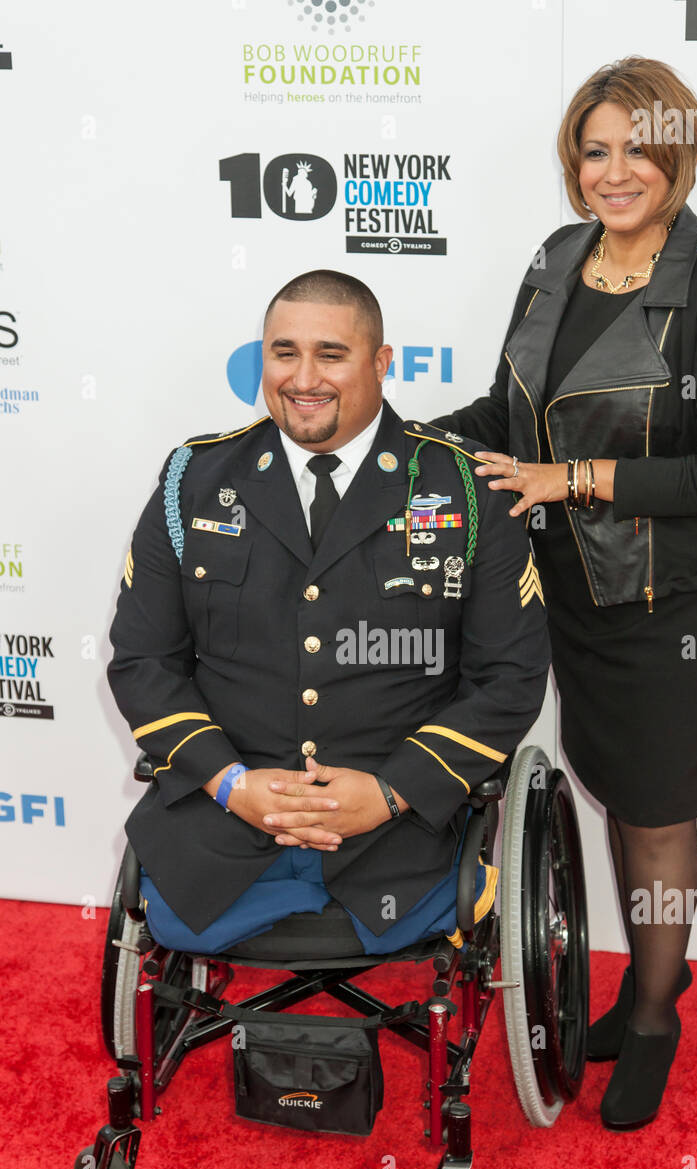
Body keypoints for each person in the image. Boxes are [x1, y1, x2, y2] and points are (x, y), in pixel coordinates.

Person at [433, 57, 697, 1130]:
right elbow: (511, 407)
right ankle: (639, 985)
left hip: (682, 602)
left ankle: (652, 1008)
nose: (613, 171)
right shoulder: (557, 257)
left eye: (636, 147)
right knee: (615, 785)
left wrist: (566, 480)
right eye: (594, 149)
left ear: (676, 153)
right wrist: (411, 444)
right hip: (580, 586)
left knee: (655, 810)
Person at [107, 269, 550, 959]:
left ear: (380, 363)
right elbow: (143, 661)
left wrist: (393, 791)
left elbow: (511, 675)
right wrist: (232, 784)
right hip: (226, 830)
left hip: (399, 838)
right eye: (283, 352)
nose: (302, 377)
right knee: (175, 909)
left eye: (330, 354)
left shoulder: (465, 486)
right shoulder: (192, 479)